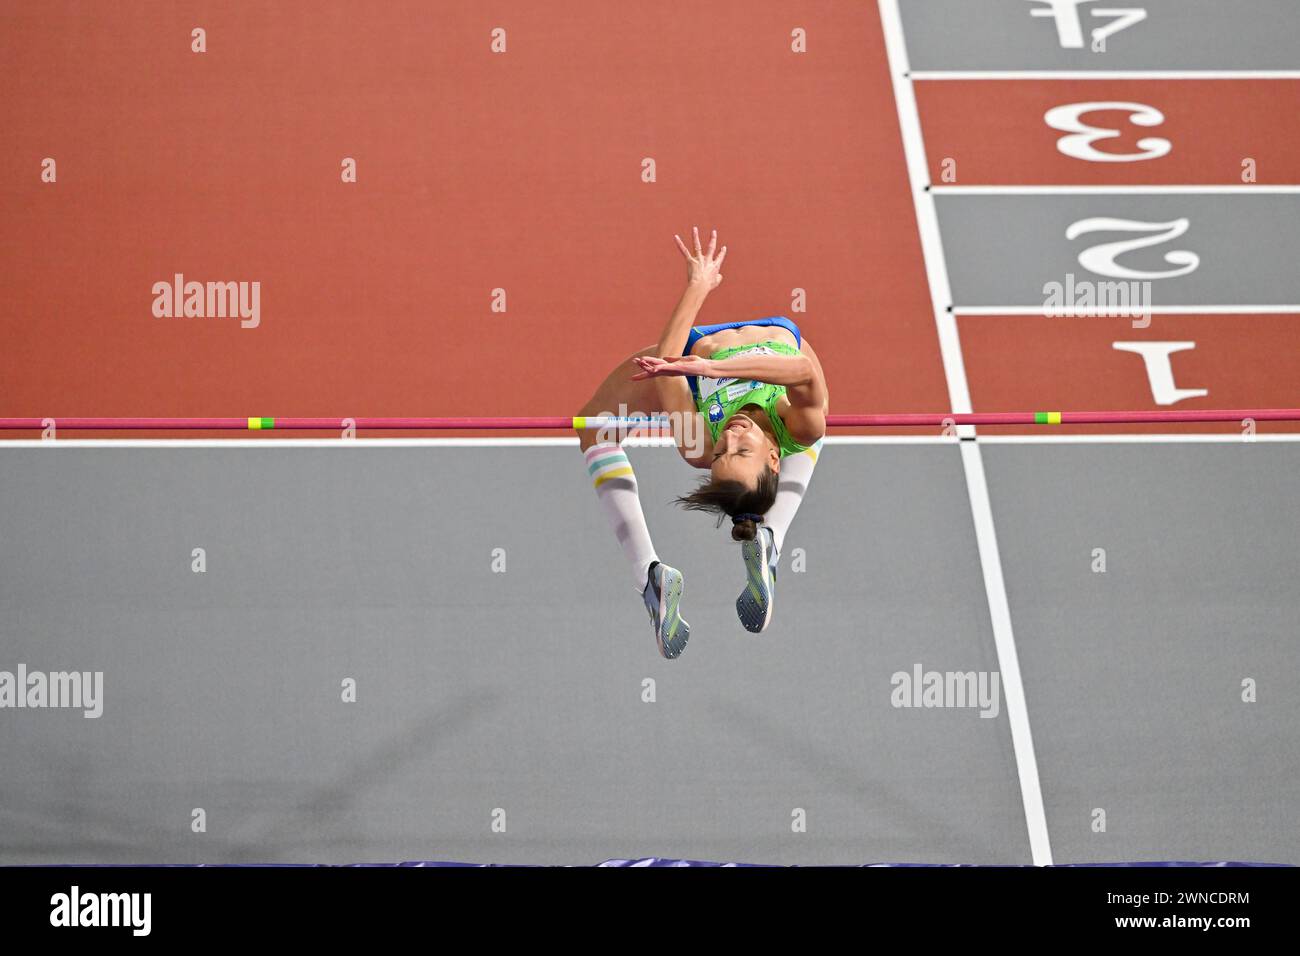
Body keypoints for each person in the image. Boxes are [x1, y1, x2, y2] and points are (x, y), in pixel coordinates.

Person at [576, 228, 828, 659]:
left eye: (721, 453)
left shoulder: (698, 443)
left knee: (594, 428)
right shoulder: (794, 425)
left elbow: (671, 361)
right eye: (742, 449)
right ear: (772, 457)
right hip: (764, 345)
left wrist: (697, 287)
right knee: (817, 421)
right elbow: (803, 371)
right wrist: (712, 370)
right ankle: (773, 539)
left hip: (695, 350)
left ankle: (649, 575)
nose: (729, 437)